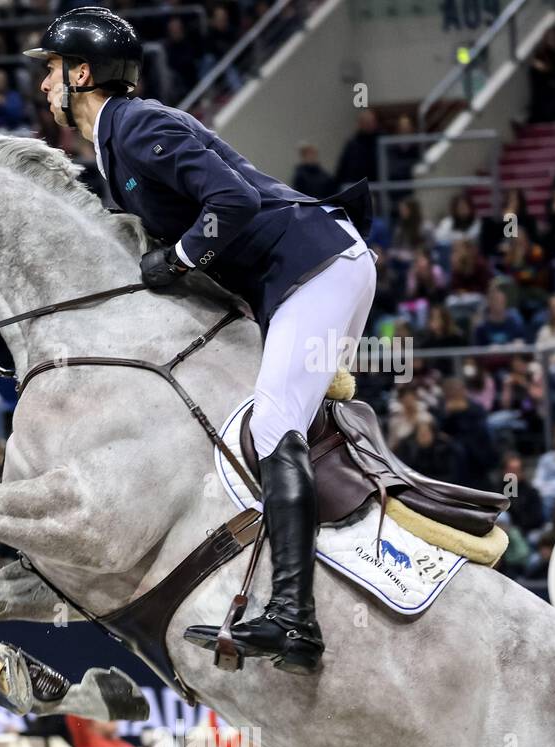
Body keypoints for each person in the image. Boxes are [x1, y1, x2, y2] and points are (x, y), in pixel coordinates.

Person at [25, 7, 376, 674]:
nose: (43, 87)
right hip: (304, 274)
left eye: (49, 71)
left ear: (80, 73)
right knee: (263, 426)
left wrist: (180, 259)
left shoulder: (138, 127)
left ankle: (296, 619)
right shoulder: (118, 145)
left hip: (315, 267)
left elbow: (234, 202)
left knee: (275, 429)